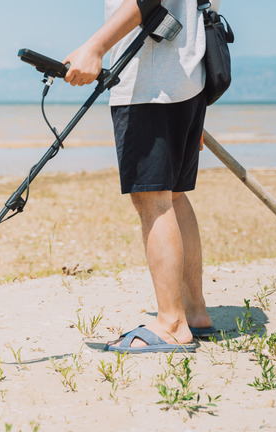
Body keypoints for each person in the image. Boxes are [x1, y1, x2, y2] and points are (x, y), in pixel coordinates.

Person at [63, 0, 219, 353]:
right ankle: (194, 313)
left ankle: (171, 324)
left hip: (150, 82)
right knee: (173, 195)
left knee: (153, 198)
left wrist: (95, 47)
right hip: (188, 79)